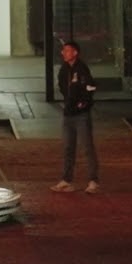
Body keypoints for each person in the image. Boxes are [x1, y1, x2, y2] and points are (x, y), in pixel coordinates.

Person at [51, 41, 100, 194]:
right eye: (63, 50)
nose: (63, 53)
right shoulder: (64, 70)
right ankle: (66, 180)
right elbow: (62, 88)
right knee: (68, 148)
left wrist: (83, 103)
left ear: (75, 53)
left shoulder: (82, 69)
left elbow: (91, 87)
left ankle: (93, 181)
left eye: (67, 50)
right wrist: (69, 101)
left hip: (81, 115)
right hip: (68, 114)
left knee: (87, 147)